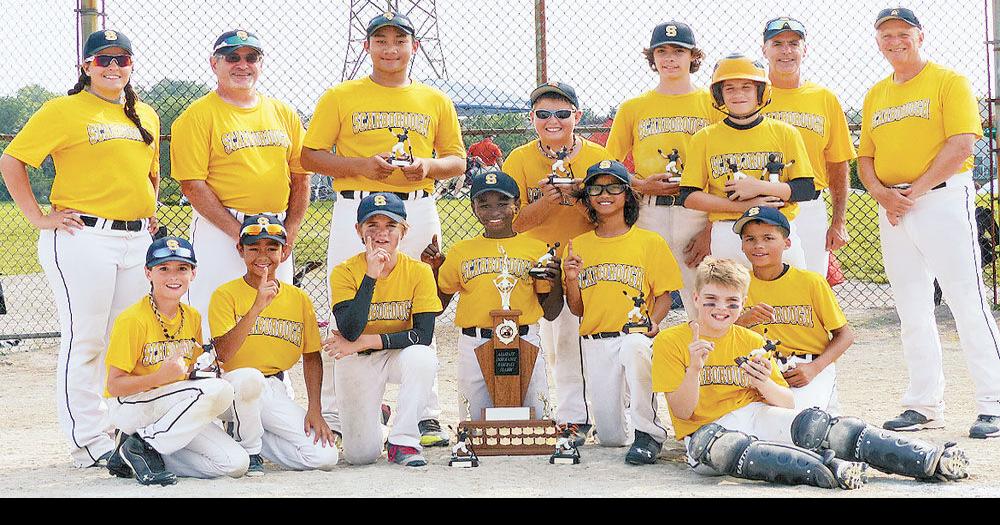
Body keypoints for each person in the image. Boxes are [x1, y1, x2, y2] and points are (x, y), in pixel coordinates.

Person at [652, 258, 969, 490]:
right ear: (696, 299)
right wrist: (694, 369)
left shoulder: (751, 340)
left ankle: (930, 459)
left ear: (743, 303)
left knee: (816, 425)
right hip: (707, 432)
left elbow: (786, 402)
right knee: (721, 447)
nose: (721, 309)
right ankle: (832, 470)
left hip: (753, 415)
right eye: (711, 300)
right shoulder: (672, 340)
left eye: (732, 302)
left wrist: (763, 382)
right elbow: (682, 412)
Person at [301, 11, 465, 447]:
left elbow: (457, 161)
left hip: (416, 207)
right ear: (366, 46)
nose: (390, 48)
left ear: (415, 46)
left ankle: (425, 413)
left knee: (422, 300)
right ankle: (336, 410)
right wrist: (360, 165)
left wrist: (426, 166)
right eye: (381, 40)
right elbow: (310, 155)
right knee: (346, 300)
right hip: (355, 207)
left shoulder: (434, 99)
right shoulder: (341, 95)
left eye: (399, 40)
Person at [0, 29, 160, 468]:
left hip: (135, 239)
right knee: (86, 338)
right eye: (103, 59)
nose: (113, 67)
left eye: (121, 59)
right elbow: (11, 160)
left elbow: (150, 173)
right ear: (86, 66)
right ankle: (88, 440)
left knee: (127, 339)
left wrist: (149, 209)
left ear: (131, 65)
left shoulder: (145, 113)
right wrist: (38, 217)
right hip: (83, 235)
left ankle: (126, 431)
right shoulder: (63, 110)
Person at [857, 7, 1000, 438]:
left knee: (966, 300)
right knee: (912, 306)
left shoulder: (948, 81)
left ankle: (993, 402)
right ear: (877, 42)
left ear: (920, 36)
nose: (895, 41)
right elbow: (865, 158)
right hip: (893, 206)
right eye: (886, 35)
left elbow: (961, 145)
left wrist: (910, 194)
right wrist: (882, 194)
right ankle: (924, 404)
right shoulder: (876, 93)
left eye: (903, 33)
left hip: (941, 199)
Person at [171, 29, 309, 335]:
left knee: (275, 319)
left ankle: (272, 369)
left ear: (261, 64)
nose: (242, 65)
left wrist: (291, 229)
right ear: (214, 64)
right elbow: (192, 185)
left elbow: (301, 177)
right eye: (232, 57)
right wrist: (240, 233)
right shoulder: (197, 116)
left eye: (251, 57)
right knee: (213, 317)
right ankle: (212, 368)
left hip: (276, 228)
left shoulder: (284, 113)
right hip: (222, 229)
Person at [503, 82, 615, 444]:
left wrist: (579, 197)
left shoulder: (597, 156)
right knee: (550, 343)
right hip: (535, 262)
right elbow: (512, 222)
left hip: (585, 259)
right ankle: (551, 413)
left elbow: (612, 216)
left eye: (562, 113)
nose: (553, 120)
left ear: (577, 116)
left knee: (577, 340)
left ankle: (580, 416)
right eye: (544, 114)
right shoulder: (519, 159)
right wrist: (548, 201)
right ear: (532, 118)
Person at [561, 160, 681, 465]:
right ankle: (626, 424)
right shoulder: (578, 246)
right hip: (595, 341)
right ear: (587, 197)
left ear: (627, 194)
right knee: (611, 437)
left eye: (614, 187)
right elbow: (577, 308)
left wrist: (653, 322)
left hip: (633, 334)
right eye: (596, 188)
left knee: (636, 347)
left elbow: (664, 296)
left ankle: (649, 434)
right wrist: (571, 280)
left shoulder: (649, 242)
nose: (605, 194)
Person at [104, 237, 248, 486]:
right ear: (148, 273)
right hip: (132, 406)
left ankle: (135, 455)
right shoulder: (132, 319)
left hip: (172, 410)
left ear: (193, 273)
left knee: (235, 464)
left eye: (182, 268)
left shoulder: (192, 317)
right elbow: (114, 386)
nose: (173, 276)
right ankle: (141, 445)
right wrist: (159, 377)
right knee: (220, 390)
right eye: (163, 268)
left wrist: (204, 370)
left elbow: (187, 372)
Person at [421, 171, 563, 421]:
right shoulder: (461, 252)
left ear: (517, 204)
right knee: (475, 425)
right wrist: (434, 270)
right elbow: (438, 307)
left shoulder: (536, 249)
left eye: (502, 203)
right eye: (484, 205)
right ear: (473, 208)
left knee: (536, 421)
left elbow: (551, 313)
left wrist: (557, 282)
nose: (493, 211)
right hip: (475, 342)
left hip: (525, 338)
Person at [209, 215, 339, 476]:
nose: (263, 255)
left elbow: (311, 356)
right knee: (250, 379)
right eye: (253, 248)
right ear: (240, 250)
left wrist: (315, 409)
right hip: (234, 387)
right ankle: (250, 447)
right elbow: (223, 354)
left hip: (273, 389)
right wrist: (256, 307)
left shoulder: (298, 299)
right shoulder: (225, 294)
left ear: (284, 251)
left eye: (271, 247)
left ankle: (245, 434)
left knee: (324, 456)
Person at [606, 21, 715, 318]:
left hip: (697, 212)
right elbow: (608, 165)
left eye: (678, 51)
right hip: (648, 211)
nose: (669, 58)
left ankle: (706, 350)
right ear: (652, 57)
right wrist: (641, 185)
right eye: (662, 51)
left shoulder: (712, 103)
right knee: (640, 301)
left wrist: (710, 229)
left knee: (704, 301)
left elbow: (722, 168)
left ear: (693, 56)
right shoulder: (633, 107)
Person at [325, 193, 441, 466]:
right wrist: (371, 275)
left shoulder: (419, 272)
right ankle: (380, 420)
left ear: (404, 231)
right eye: (372, 225)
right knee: (360, 455)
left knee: (423, 358)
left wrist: (366, 341)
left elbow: (423, 335)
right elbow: (350, 331)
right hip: (357, 359)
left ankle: (403, 441)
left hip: (395, 354)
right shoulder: (344, 272)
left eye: (391, 225)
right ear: (358, 230)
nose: (381, 233)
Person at [680, 54, 816, 269]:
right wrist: (744, 205)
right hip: (727, 230)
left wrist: (759, 187)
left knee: (789, 289)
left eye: (746, 87)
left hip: (777, 229)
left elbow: (806, 189)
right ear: (719, 94)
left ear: (760, 92)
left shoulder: (785, 133)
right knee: (731, 291)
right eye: (729, 88)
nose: (738, 94)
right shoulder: (704, 137)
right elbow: (688, 196)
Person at [733, 206, 854, 413]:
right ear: (742, 246)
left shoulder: (810, 282)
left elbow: (845, 336)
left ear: (787, 243)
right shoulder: (738, 284)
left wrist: (814, 369)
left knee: (795, 419)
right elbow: (718, 335)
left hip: (807, 366)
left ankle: (827, 404)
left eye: (768, 238)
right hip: (762, 368)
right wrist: (742, 321)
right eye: (750, 239)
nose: (758, 245)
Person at [760, 17, 856, 275]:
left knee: (811, 283)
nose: (786, 51)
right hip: (763, 204)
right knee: (762, 285)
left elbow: (837, 163)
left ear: (805, 49)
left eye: (794, 43)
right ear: (764, 50)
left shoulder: (824, 98)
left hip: (810, 207)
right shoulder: (752, 96)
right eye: (777, 44)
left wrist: (838, 221)